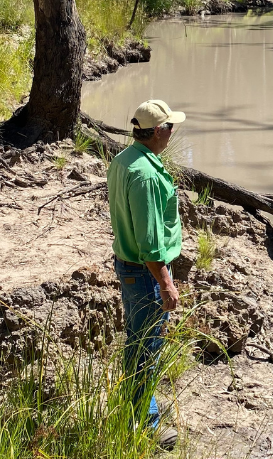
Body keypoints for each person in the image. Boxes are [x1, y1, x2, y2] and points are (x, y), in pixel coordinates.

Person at [107, 98, 185, 451]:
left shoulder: (124, 160)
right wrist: (166, 284)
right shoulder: (146, 175)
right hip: (144, 273)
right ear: (156, 132)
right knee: (146, 348)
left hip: (128, 267)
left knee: (138, 341)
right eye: (170, 127)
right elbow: (150, 241)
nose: (172, 132)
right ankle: (145, 425)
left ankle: (142, 404)